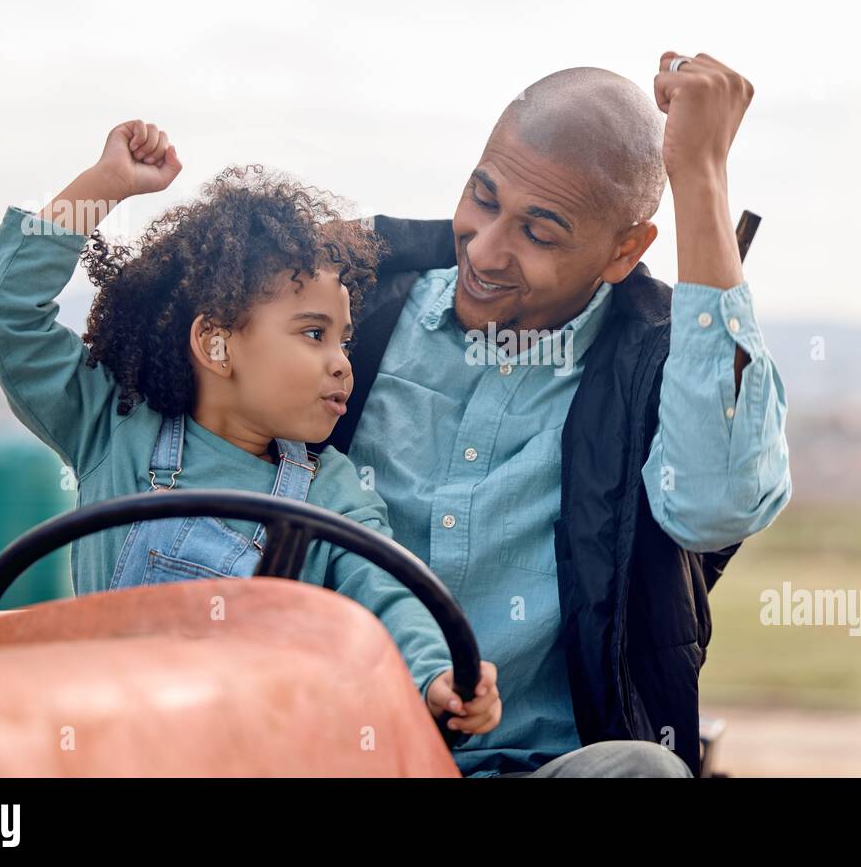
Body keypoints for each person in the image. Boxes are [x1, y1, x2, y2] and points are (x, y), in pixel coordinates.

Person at [320, 52, 793, 777]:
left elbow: (714, 507)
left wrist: (700, 177)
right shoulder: (345, 305)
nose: (484, 249)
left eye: (539, 233)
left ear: (624, 250)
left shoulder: (665, 365)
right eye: (482, 196)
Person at [0, 120, 501, 738]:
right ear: (215, 343)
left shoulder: (330, 492)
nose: (341, 361)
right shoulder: (112, 425)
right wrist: (102, 187)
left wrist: (435, 674)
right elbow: (5, 315)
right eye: (313, 333)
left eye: (344, 340)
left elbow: (383, 592)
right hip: (100, 743)